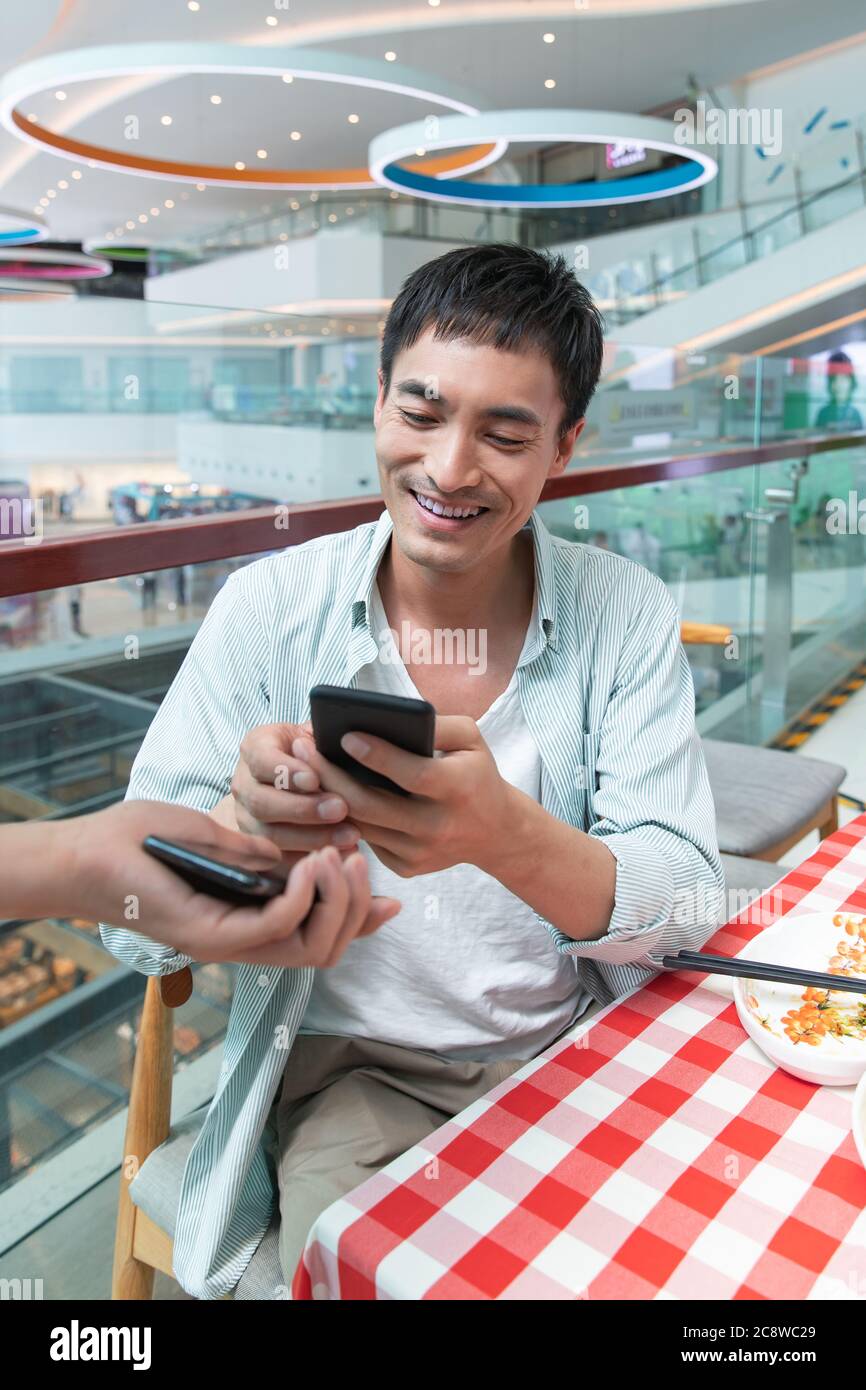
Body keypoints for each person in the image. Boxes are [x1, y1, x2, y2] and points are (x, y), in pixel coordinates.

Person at [100, 243, 724, 1301]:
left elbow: (690, 899)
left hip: (568, 1046)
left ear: (562, 447)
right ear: (378, 400)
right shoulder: (269, 611)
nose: (447, 468)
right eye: (421, 412)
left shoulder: (621, 614)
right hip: (355, 1077)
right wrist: (241, 835)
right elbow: (123, 917)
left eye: (504, 433)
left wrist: (503, 834)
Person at [814, 350, 864, 433]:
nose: (837, 385)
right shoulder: (823, 414)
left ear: (851, 382)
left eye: (842, 379)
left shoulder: (855, 415)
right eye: (833, 379)